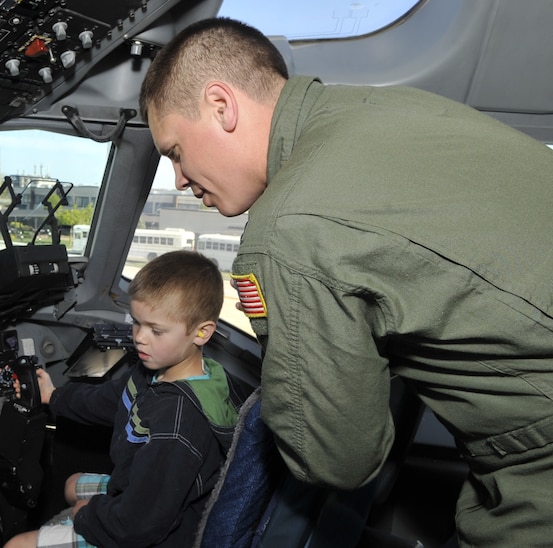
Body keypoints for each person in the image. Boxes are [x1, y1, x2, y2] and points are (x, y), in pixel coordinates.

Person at [139, 17, 553, 548]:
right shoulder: (379, 110)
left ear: (221, 107)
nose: (178, 179)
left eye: (175, 151)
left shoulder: (290, 230)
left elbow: (340, 460)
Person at [4, 250, 240, 548]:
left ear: (202, 333)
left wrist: (87, 516)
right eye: (137, 322)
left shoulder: (178, 424)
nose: (140, 337)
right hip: (138, 486)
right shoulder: (157, 369)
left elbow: (140, 524)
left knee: (16, 545)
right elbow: (111, 399)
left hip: (155, 532)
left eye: (156, 330)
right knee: (70, 485)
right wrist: (54, 396)